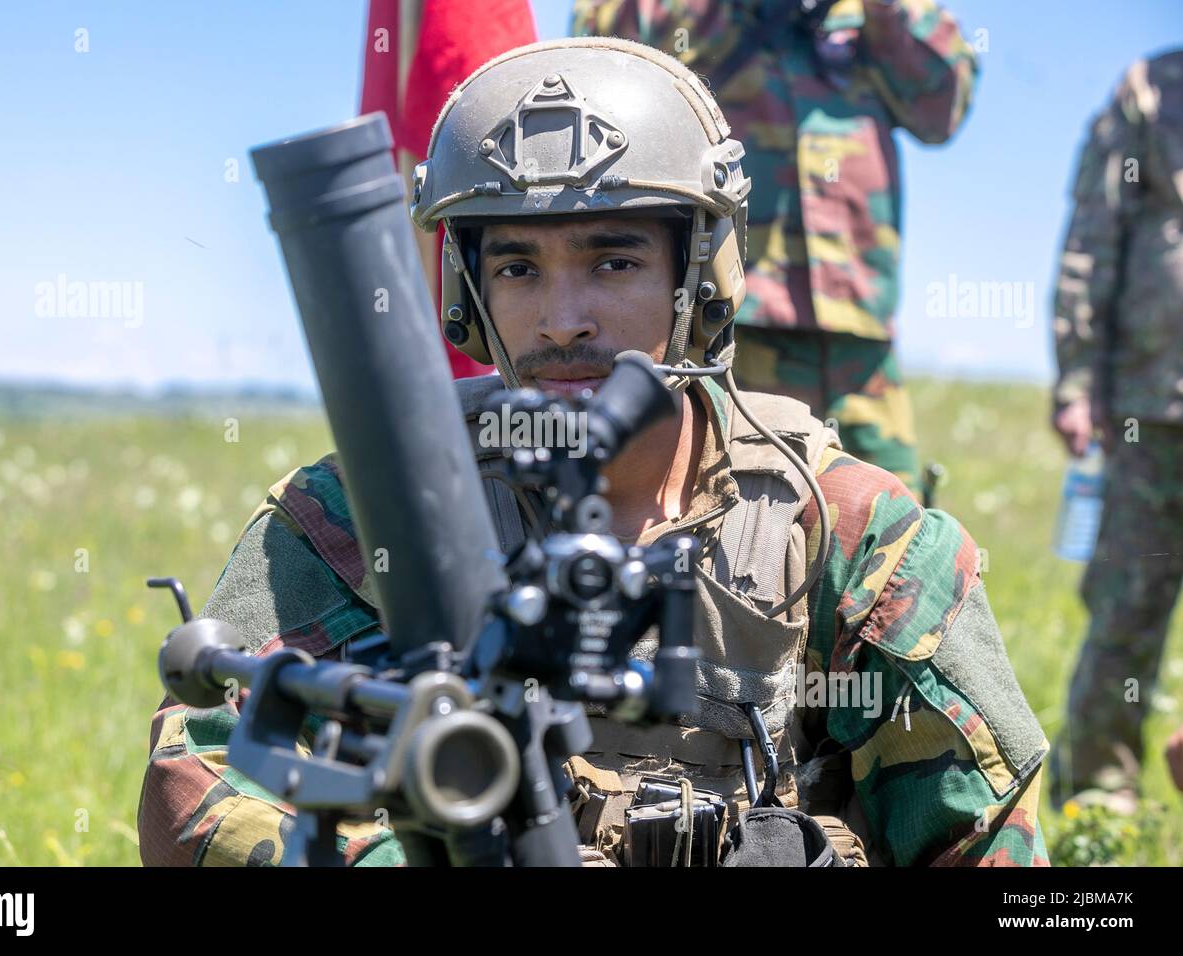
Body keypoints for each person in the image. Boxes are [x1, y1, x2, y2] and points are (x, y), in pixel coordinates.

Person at [137, 36, 1046, 867]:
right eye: (518, 268)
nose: (562, 319)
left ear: (698, 280)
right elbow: (203, 783)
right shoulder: (359, 516)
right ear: (468, 293)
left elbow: (986, 843)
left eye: (614, 263)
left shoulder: (850, 534)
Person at [572, 0, 979, 496]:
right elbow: (599, 75)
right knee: (725, 508)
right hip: (718, 321)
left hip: (857, 329)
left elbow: (940, 112)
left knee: (894, 516)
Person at [1049, 49, 1183, 815]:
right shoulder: (1150, 91)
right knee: (1127, 609)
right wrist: (1077, 376)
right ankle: (1099, 798)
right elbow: (1093, 236)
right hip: (1151, 409)